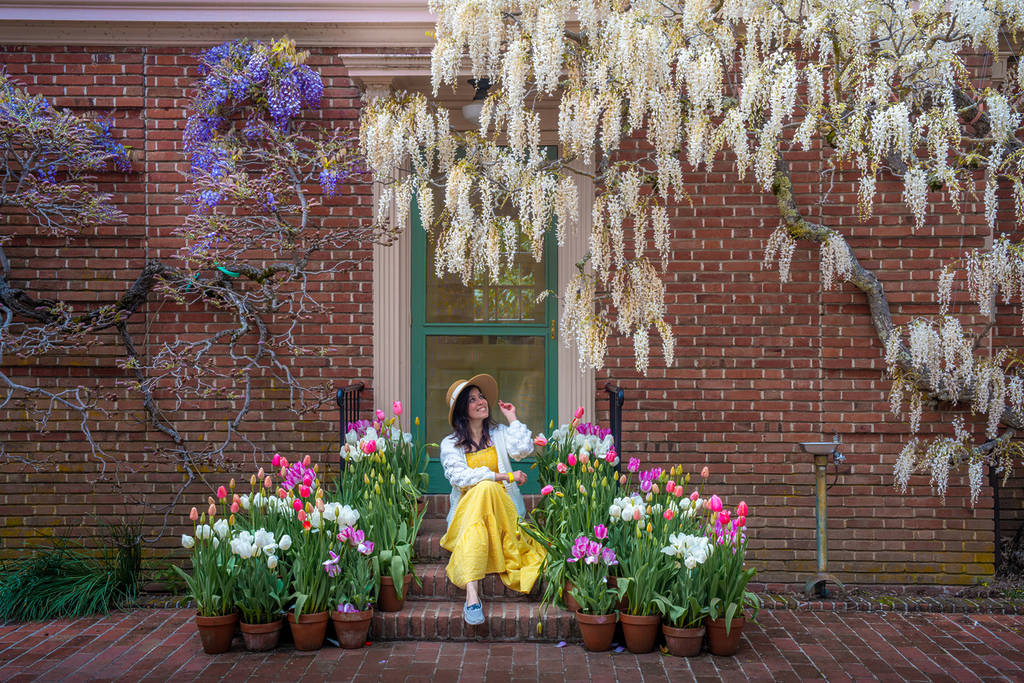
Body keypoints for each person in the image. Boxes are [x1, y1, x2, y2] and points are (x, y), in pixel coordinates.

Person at [438, 373, 547, 625]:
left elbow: (523, 450)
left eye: (482, 396)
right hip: (467, 515)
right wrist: (502, 475)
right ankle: (472, 593)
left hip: (503, 514)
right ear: (462, 410)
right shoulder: (450, 444)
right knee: (485, 487)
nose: (481, 402)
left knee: (486, 487)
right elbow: (459, 477)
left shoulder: (498, 433)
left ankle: (472, 596)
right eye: (473, 399)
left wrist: (513, 417)